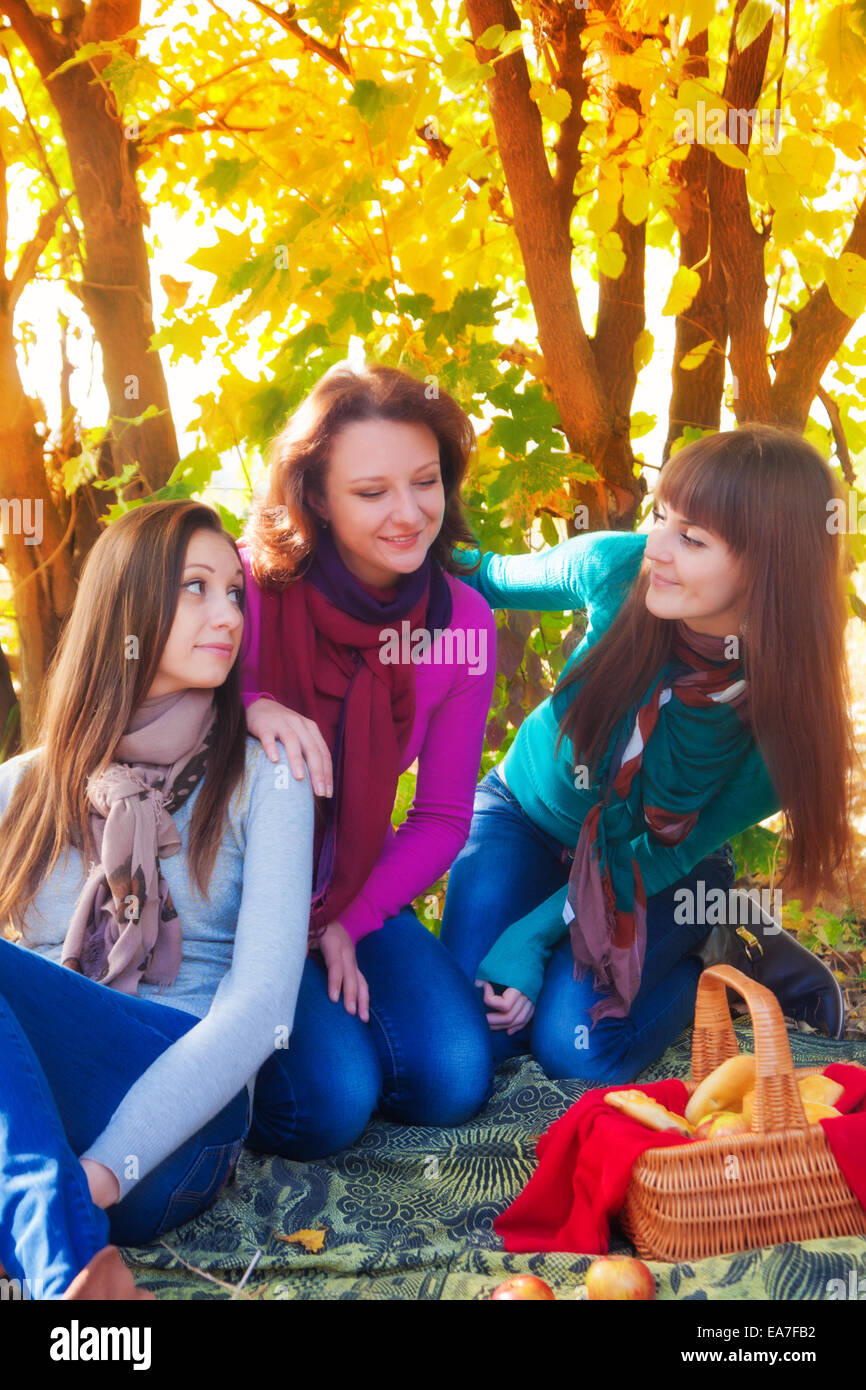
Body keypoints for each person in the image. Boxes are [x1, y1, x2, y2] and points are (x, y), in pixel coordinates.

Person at [440, 425, 855, 1081]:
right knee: (469, 1043)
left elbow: (665, 852)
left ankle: (720, 964)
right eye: (662, 516)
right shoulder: (617, 569)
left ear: (772, 566)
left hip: (652, 867)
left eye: (691, 539)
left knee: (575, 1047)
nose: (657, 548)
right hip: (525, 817)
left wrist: (533, 935)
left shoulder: (783, 739)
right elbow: (486, 576)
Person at [0, 500, 314, 1299]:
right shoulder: (24, 788)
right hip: (45, 1120)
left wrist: (103, 1175)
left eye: (234, 592)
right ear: (128, 605)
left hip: (177, 1137)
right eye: (196, 589)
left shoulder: (266, 775)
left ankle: (56, 1240)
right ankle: (77, 1279)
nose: (228, 615)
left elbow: (262, 1009)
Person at [238, 362, 498, 1157]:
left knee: (454, 1077)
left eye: (425, 482)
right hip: (236, 888)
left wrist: (351, 920)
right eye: (371, 491)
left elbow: (444, 817)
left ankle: (325, 997)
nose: (409, 513)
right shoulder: (247, 586)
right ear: (314, 495)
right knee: (330, 1107)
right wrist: (252, 703)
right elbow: (158, 708)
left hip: (346, 875)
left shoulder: (463, 623)